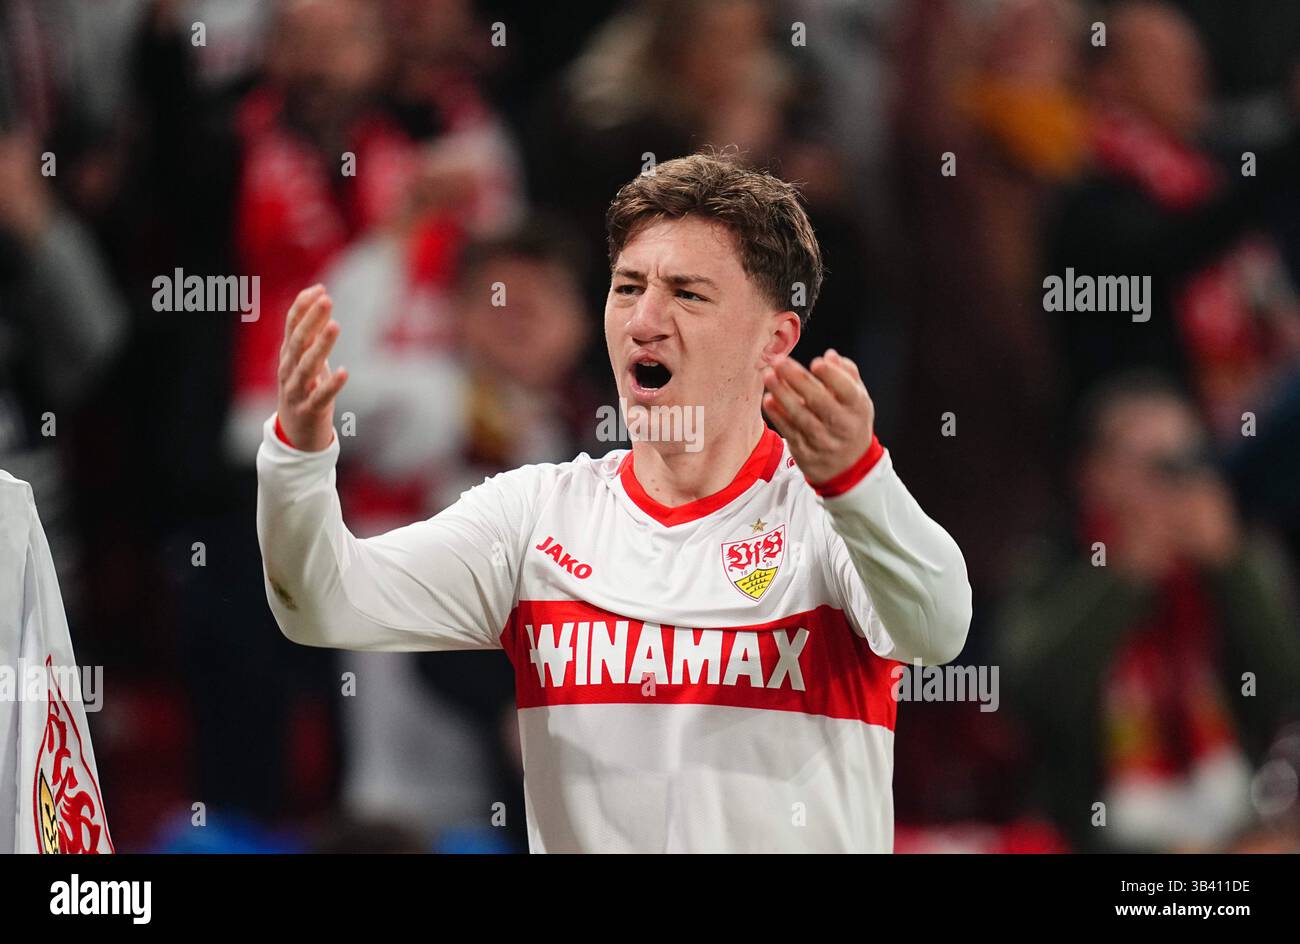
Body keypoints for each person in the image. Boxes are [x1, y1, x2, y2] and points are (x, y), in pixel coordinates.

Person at [256, 152, 972, 853]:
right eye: (628, 288)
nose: (644, 320)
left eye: (688, 294)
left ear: (775, 338)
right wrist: (296, 458)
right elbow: (321, 603)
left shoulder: (827, 519)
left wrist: (858, 482)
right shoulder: (534, 517)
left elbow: (938, 630)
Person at [998, 373, 1300, 851]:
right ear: (1094, 475)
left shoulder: (1231, 557)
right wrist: (1123, 579)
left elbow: (1285, 685)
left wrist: (1233, 567)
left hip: (1238, 828)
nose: (1174, 484)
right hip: (1096, 838)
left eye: (1188, 462)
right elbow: (1029, 692)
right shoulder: (1054, 561)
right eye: (1155, 466)